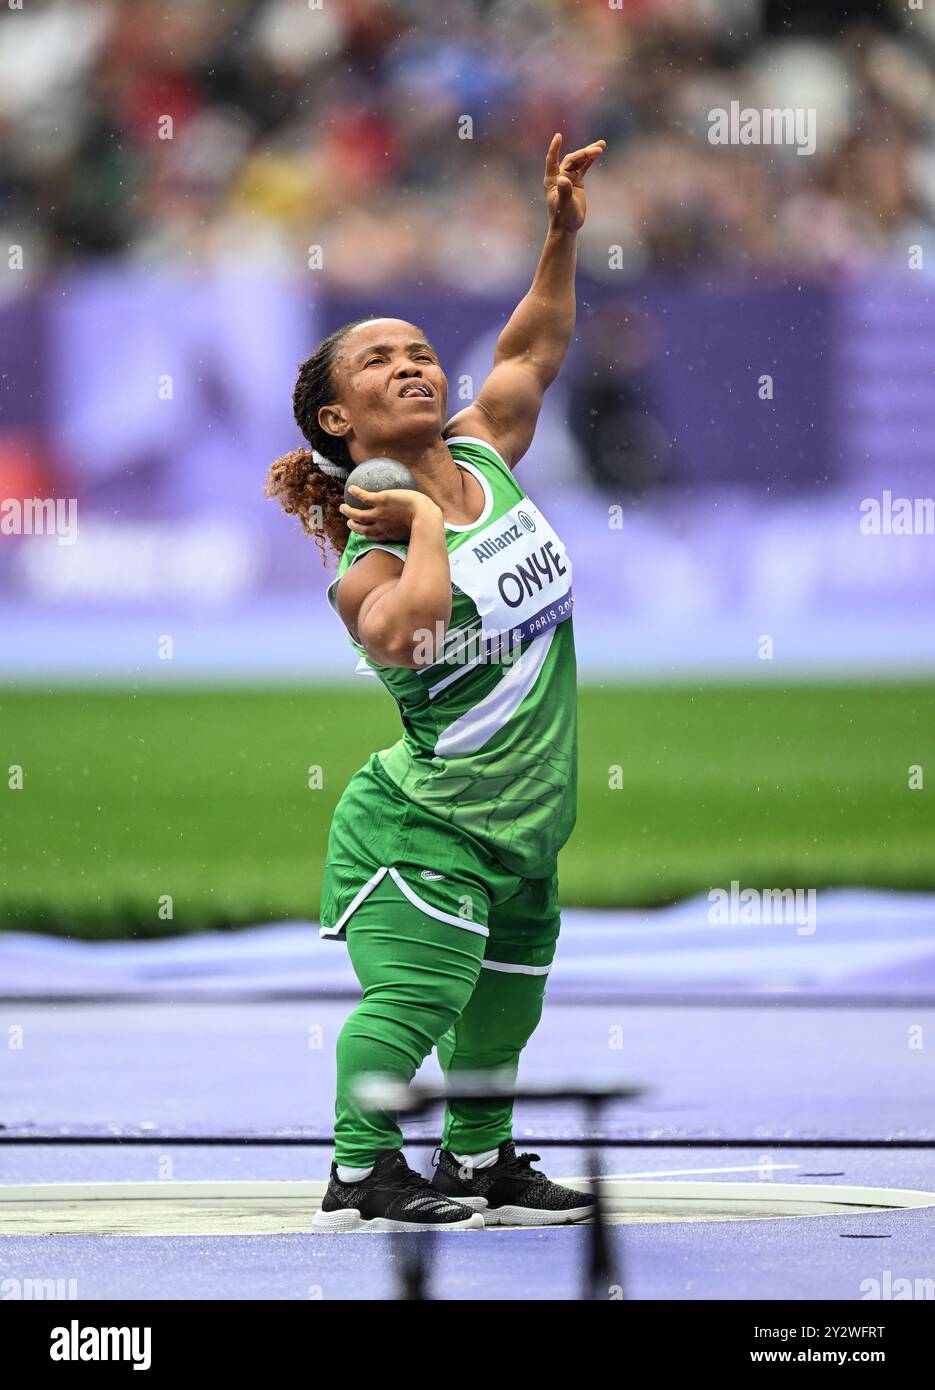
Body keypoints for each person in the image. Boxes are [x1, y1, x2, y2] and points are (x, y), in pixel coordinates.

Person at [266, 134, 606, 1232]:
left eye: (418, 351)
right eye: (378, 362)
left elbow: (533, 348)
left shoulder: (489, 452)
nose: (412, 364)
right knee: (416, 1002)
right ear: (336, 420)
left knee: (502, 1014)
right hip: (423, 826)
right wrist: (415, 526)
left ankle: (474, 1158)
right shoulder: (365, 567)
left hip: (523, 822)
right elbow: (410, 637)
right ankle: (360, 1170)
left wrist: (557, 234)